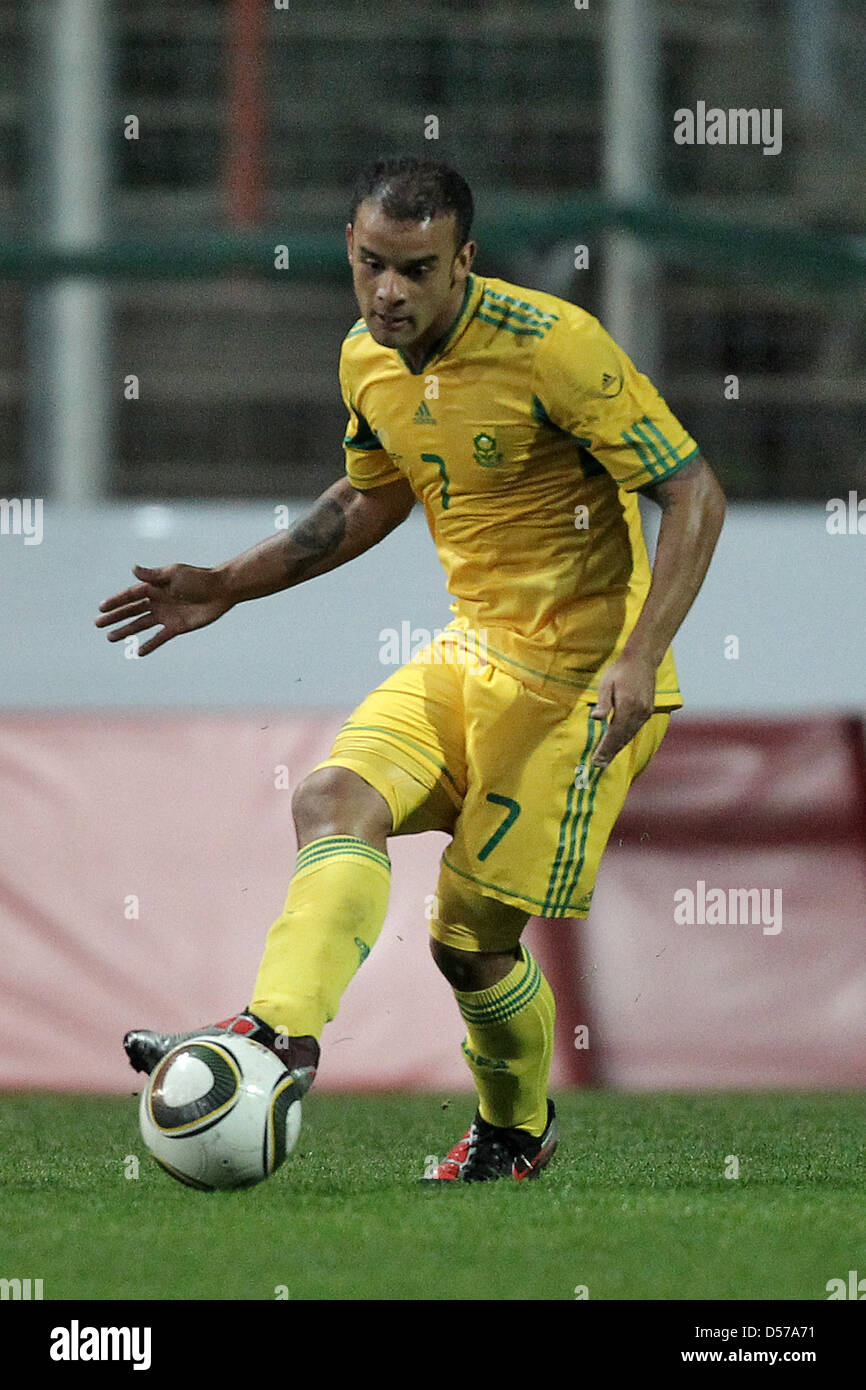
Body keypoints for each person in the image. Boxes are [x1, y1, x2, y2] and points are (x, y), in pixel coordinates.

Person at [96, 157, 726, 1182]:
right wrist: (230, 581)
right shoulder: (364, 358)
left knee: (468, 944)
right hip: (468, 652)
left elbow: (693, 494)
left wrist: (638, 654)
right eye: (371, 265)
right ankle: (277, 1035)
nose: (388, 292)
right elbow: (368, 496)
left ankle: (513, 1131)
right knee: (334, 796)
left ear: (461, 262)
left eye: (416, 269)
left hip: (577, 689)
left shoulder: (556, 349)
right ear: (350, 252)